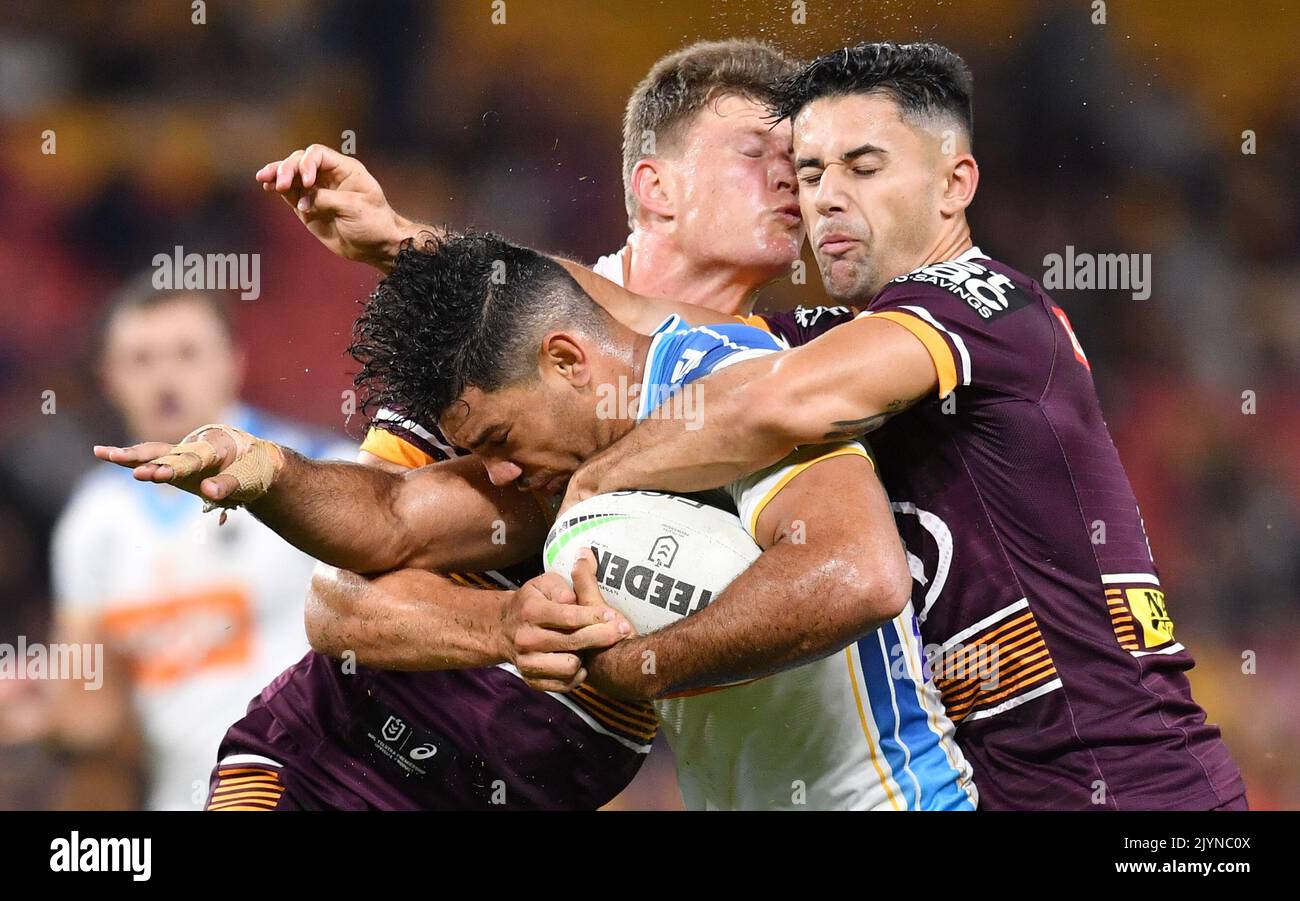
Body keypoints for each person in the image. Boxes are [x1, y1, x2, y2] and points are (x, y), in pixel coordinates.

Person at [560, 42, 1248, 811]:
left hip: (1140, 794)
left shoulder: (987, 304)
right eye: (812, 172)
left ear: (955, 183)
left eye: (864, 166)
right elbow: (660, 320)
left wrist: (598, 482)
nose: (824, 198)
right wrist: (424, 248)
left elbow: (773, 403)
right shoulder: (850, 338)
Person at [47, 279, 349, 810]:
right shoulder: (90, 523)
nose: (165, 378)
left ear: (233, 361)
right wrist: (47, 708)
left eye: (186, 354)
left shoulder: (321, 475)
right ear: (108, 378)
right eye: (140, 360)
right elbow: (90, 713)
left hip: (320, 793)